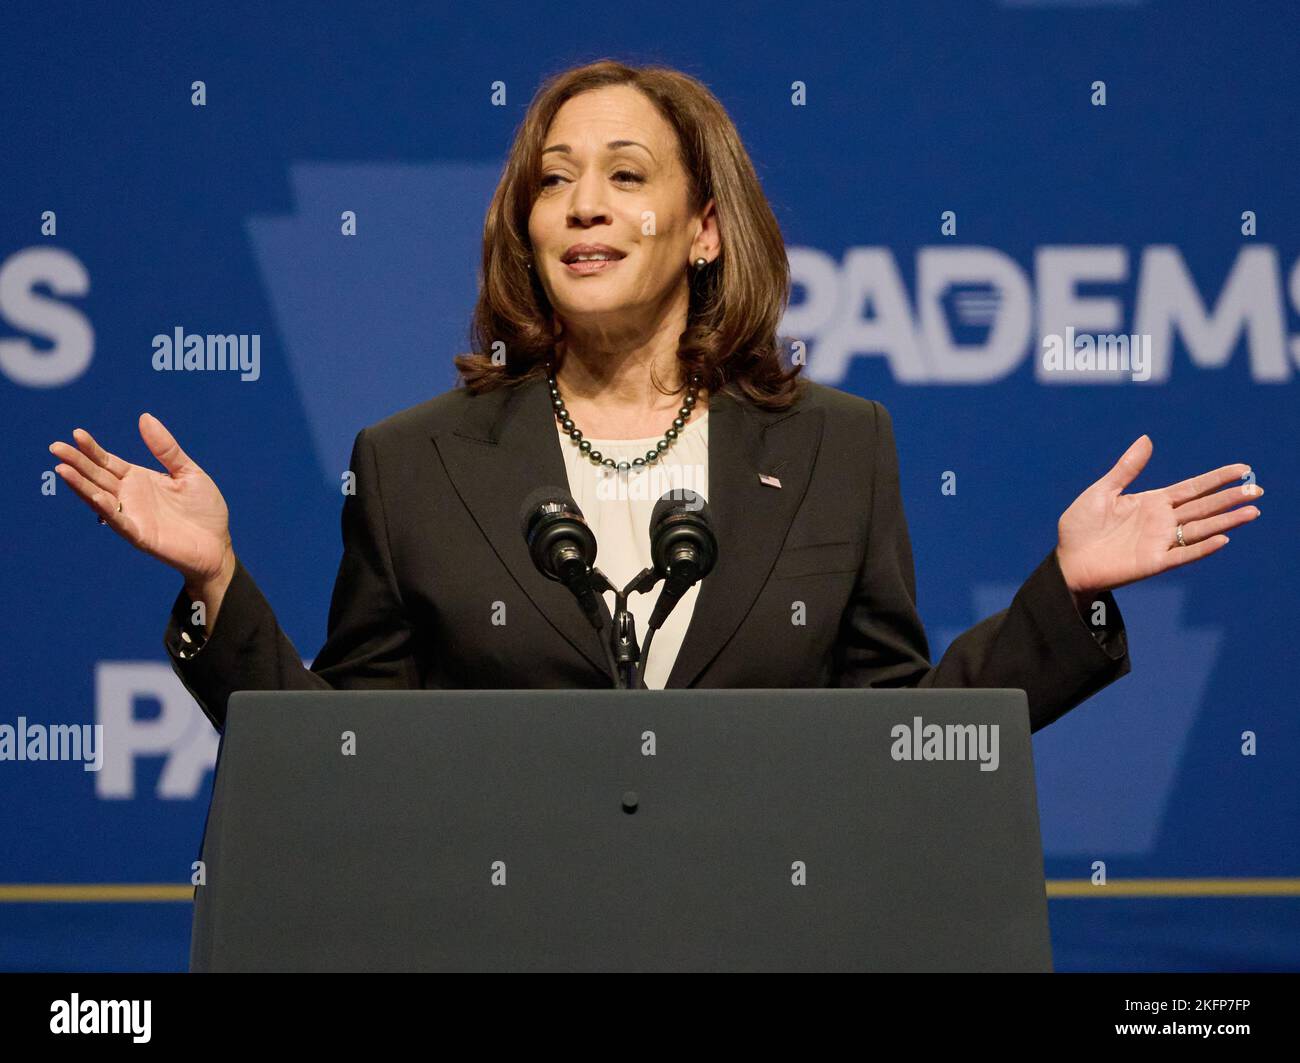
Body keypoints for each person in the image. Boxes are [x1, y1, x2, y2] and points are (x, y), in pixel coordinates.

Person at [47, 60, 1262, 735]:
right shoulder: (413, 461)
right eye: (553, 179)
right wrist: (216, 584)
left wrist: (1064, 599)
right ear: (523, 228)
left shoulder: (839, 445)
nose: (581, 204)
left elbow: (894, 741)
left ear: (700, 229)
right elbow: (351, 759)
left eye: (625, 176)